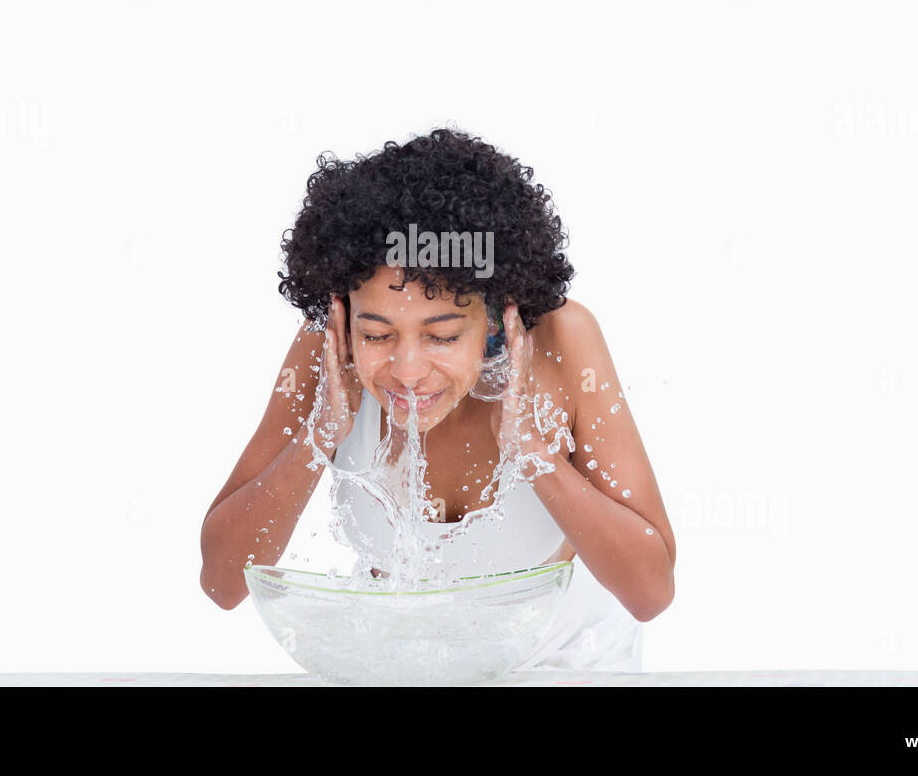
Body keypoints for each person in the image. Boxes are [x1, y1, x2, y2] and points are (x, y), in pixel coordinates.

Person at [199, 127, 676, 670]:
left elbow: (651, 592)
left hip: (567, 662)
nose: (407, 372)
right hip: (402, 665)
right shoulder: (330, 351)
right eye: (377, 335)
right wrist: (321, 436)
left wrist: (532, 453)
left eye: (443, 336)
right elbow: (221, 581)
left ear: (496, 320)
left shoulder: (563, 343)